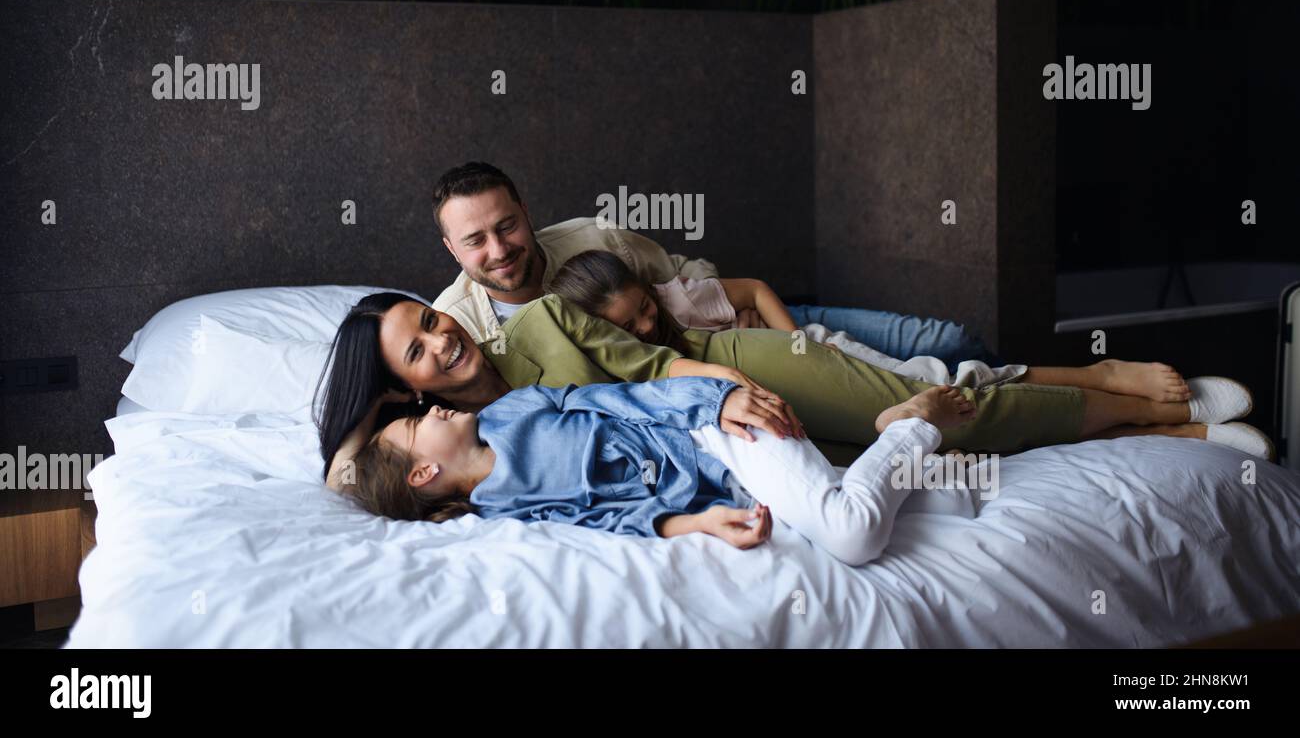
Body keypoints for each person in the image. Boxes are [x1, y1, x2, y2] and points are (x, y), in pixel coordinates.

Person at [315, 293, 1271, 497]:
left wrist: (739, 392)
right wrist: (357, 420)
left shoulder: (537, 328)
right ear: (400, 385)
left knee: (934, 406)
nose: (441, 340)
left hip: (736, 372)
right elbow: (347, 472)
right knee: (933, 459)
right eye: (417, 349)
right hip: (727, 447)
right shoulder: (457, 435)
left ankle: (1159, 414)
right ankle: (1134, 419)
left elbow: (661, 372)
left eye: (429, 321)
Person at [341, 377, 980, 566]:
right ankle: (931, 470)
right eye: (414, 423)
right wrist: (697, 523)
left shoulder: (515, 410)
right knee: (951, 510)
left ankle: (914, 418)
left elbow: (628, 397)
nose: (429, 407)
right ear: (424, 472)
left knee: (852, 534)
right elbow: (611, 518)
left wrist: (716, 400)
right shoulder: (502, 509)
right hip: (719, 483)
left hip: (710, 430)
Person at [429, 161, 998, 370]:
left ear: (526, 214)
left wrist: (729, 318)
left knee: (946, 339)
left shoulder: (592, 237)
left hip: (746, 316)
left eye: (506, 226)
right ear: (453, 251)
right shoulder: (455, 326)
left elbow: (684, 268)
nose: (499, 250)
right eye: (475, 240)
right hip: (717, 368)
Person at [550, 249, 1025, 388]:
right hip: (788, 373)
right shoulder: (627, 361)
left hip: (809, 341)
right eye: (630, 328)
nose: (647, 327)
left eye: (645, 310)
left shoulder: (680, 301)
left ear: (648, 290)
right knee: (916, 386)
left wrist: (799, 344)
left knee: (924, 372)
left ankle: (1017, 384)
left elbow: (754, 288)